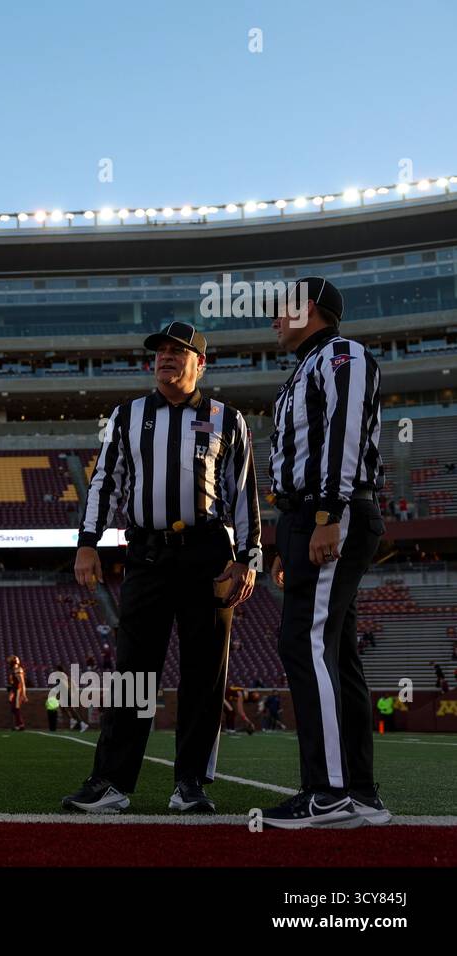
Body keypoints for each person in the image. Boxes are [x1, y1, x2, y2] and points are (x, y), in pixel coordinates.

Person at [65, 321, 261, 816]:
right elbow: (104, 482)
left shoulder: (227, 419)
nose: (167, 358)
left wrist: (247, 559)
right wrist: (88, 543)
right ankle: (110, 782)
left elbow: (243, 494)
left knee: (204, 674)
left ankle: (191, 783)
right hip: (147, 554)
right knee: (133, 671)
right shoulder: (126, 415)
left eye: (179, 351)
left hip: (207, 553)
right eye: (161, 352)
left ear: (201, 363)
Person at [264, 278, 388, 829]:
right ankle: (359, 791)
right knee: (336, 652)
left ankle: (329, 790)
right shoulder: (309, 366)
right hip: (309, 514)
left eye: (281, 310)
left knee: (305, 641)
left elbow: (343, 433)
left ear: (308, 309)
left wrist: (325, 516)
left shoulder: (342, 354)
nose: (273, 320)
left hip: (330, 511)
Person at [6, 655, 28, 731]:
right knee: (13, 708)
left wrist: (24, 694)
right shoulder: (13, 670)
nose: (9, 664)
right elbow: (13, 683)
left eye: (10, 662)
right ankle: (18, 724)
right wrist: (11, 693)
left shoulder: (17, 669)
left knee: (16, 708)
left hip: (18, 690)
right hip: (15, 690)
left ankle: (20, 725)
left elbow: (22, 683)